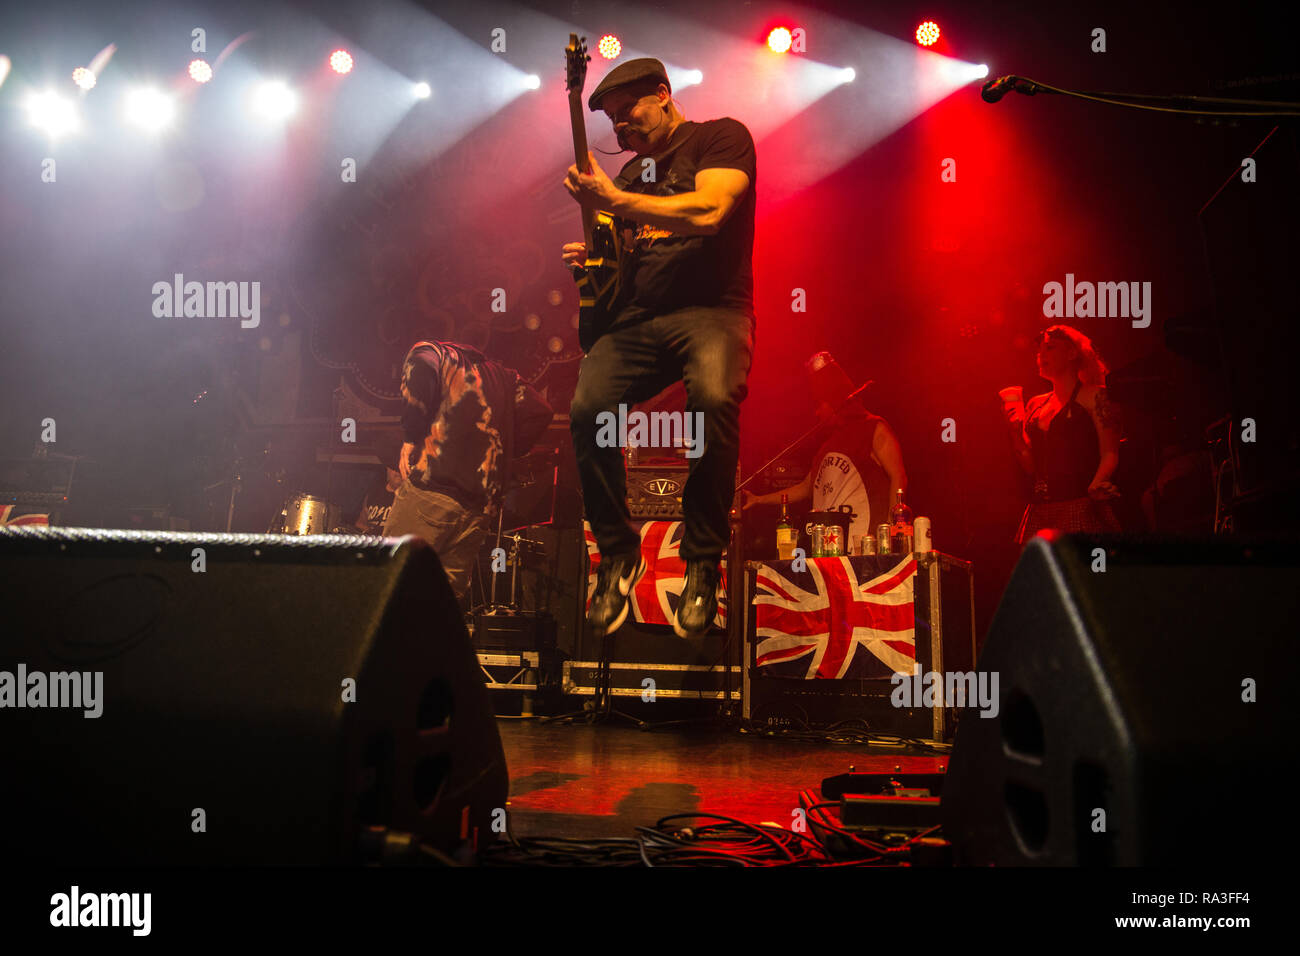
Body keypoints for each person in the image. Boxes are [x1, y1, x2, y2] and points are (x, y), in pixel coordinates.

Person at [561, 58, 757, 638]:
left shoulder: (721, 137)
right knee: (586, 412)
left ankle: (702, 562)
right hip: (639, 321)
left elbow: (711, 210)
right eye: (614, 123)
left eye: (630, 113)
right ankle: (618, 556)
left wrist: (616, 205)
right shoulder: (628, 180)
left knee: (715, 400)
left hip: (714, 312)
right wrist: (594, 261)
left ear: (665, 95)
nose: (622, 129)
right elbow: (620, 266)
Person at [382, 340, 552, 604]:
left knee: (387, 587)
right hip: (477, 509)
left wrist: (411, 438)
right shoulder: (505, 377)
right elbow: (541, 411)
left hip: (433, 490)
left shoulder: (431, 351)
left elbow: (422, 368)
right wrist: (509, 450)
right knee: (441, 605)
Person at [742, 351, 907, 544]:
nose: (817, 412)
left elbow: (899, 476)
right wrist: (759, 499)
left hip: (869, 545)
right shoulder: (825, 448)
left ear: (834, 403)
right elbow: (804, 488)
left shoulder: (874, 428)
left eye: (820, 405)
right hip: (831, 549)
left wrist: (893, 528)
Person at [1000, 325, 1121, 545]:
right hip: (1039, 511)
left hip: (1080, 505)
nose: (1041, 355)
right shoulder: (1036, 404)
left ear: (1072, 353)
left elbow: (1110, 451)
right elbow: (1030, 466)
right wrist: (1015, 431)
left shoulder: (1095, 396)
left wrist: (1098, 482)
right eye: (1039, 351)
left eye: (1050, 348)